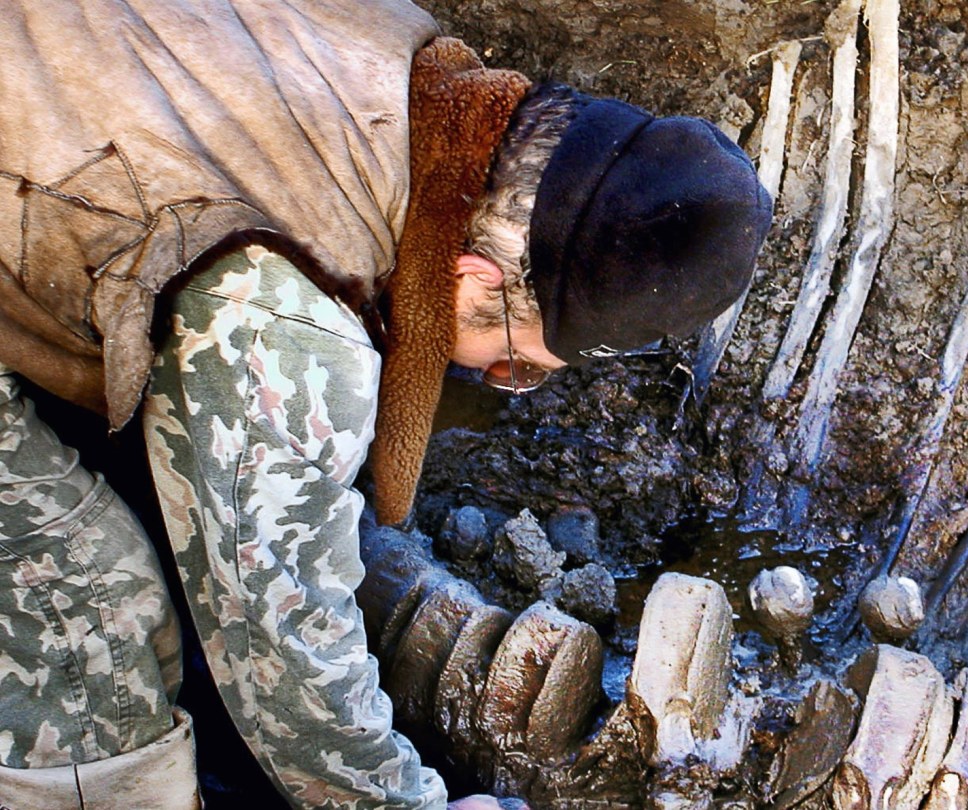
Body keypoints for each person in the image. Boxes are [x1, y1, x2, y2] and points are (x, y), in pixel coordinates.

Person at [0, 0, 772, 807]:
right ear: (472, 279)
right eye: (515, 367)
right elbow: (281, 652)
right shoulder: (285, 314)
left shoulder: (383, 45)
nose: (497, 376)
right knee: (87, 607)